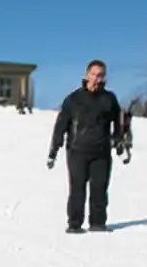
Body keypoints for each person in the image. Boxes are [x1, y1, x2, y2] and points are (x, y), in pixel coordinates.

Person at [47, 59, 123, 233]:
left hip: (101, 152)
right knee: (77, 189)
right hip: (77, 151)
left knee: (99, 189)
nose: (96, 79)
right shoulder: (73, 99)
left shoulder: (109, 99)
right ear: (87, 75)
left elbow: (118, 123)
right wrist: (54, 150)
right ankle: (74, 224)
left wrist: (119, 141)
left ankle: (98, 223)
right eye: (94, 74)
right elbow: (61, 126)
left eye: (100, 75)